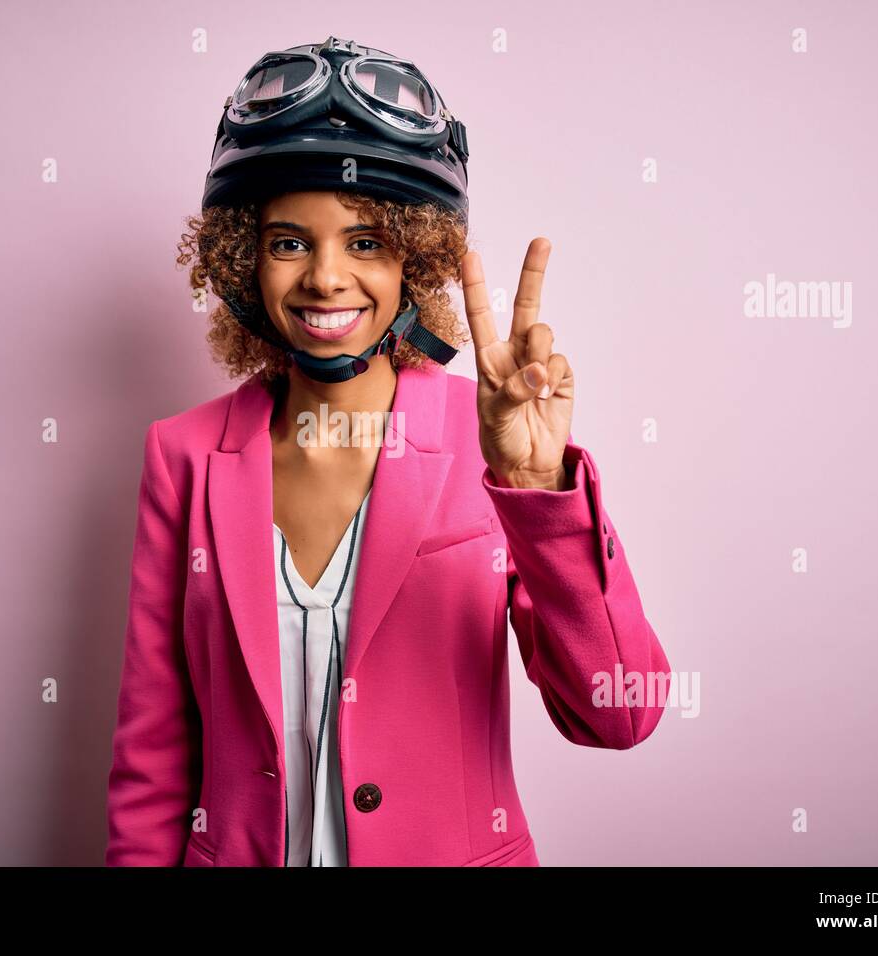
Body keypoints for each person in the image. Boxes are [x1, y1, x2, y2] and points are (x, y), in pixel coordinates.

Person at [105, 36, 672, 867]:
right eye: (289, 241)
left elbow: (621, 716)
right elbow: (154, 751)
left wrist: (540, 490)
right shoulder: (181, 455)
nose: (327, 279)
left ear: (418, 256)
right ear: (242, 262)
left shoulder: (490, 445)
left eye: (366, 242)